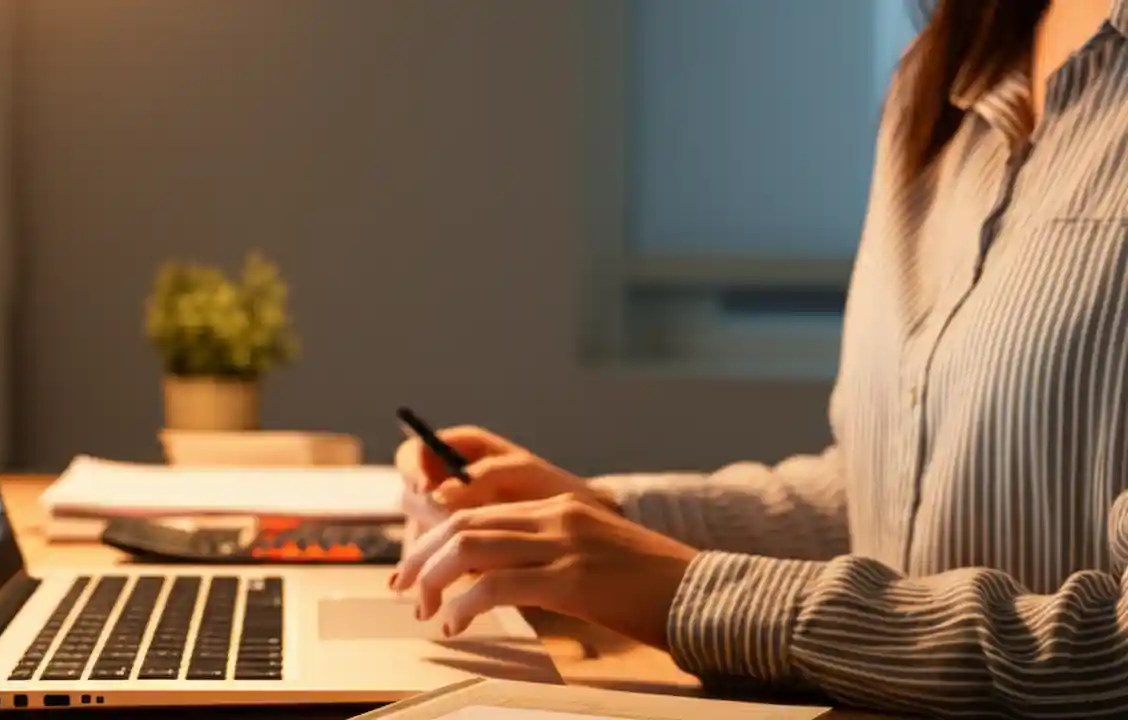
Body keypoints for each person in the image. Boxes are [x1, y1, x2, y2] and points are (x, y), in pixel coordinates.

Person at [388, 0, 1128, 717]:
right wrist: (602, 520)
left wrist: (686, 593)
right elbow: (885, 502)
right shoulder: (943, 77)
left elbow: (1110, 656)